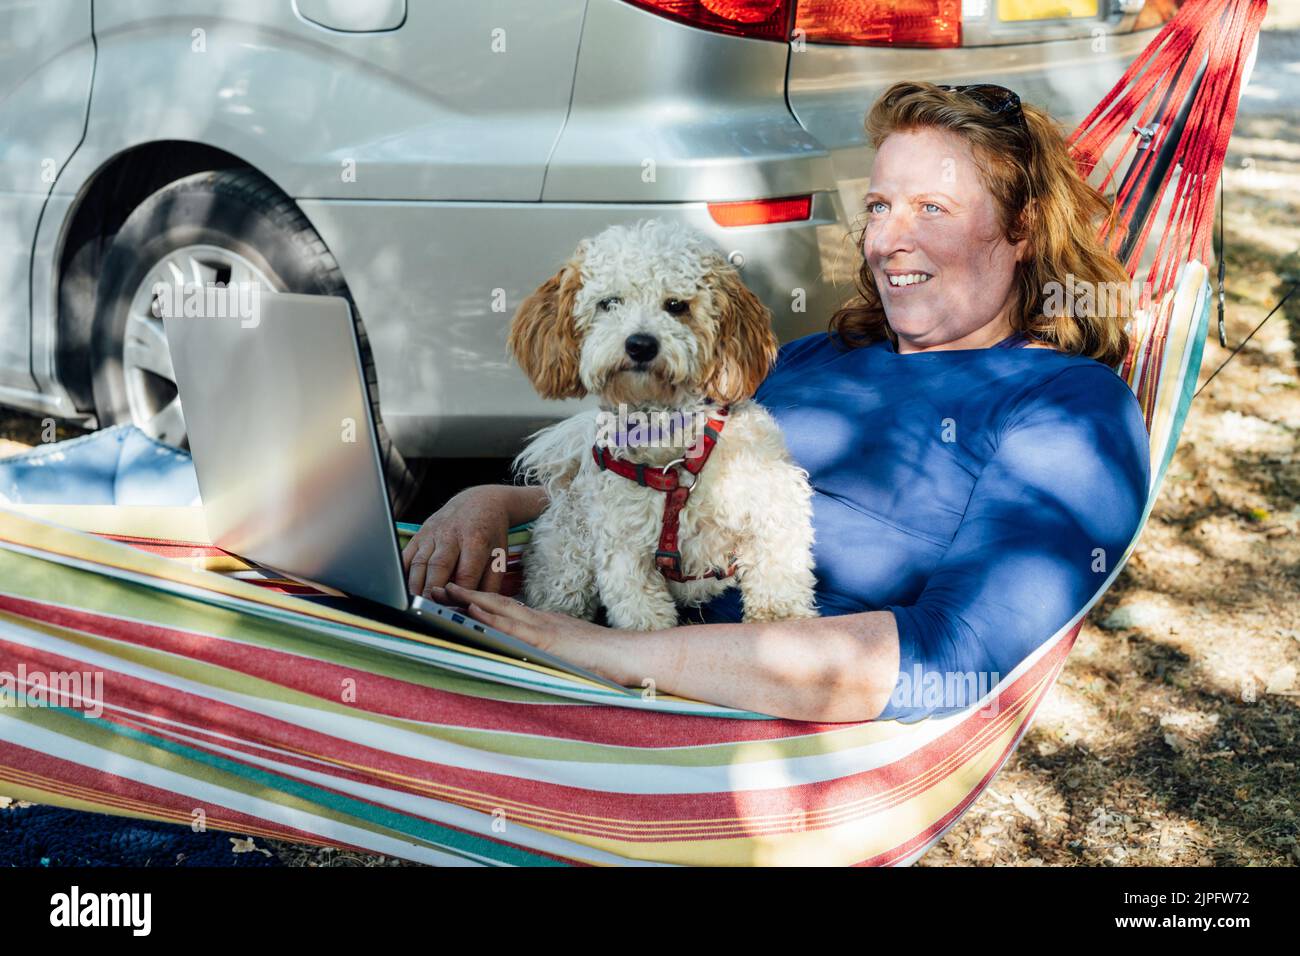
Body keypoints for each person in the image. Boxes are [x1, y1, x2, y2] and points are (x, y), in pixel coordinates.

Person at [400, 81, 1151, 724]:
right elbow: (653, 485)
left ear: (1021, 228)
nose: (888, 240)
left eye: (931, 209)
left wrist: (617, 653)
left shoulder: (1071, 408)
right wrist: (492, 501)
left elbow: (949, 658)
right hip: (589, 641)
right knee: (300, 607)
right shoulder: (816, 358)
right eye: (880, 205)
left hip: (716, 724)